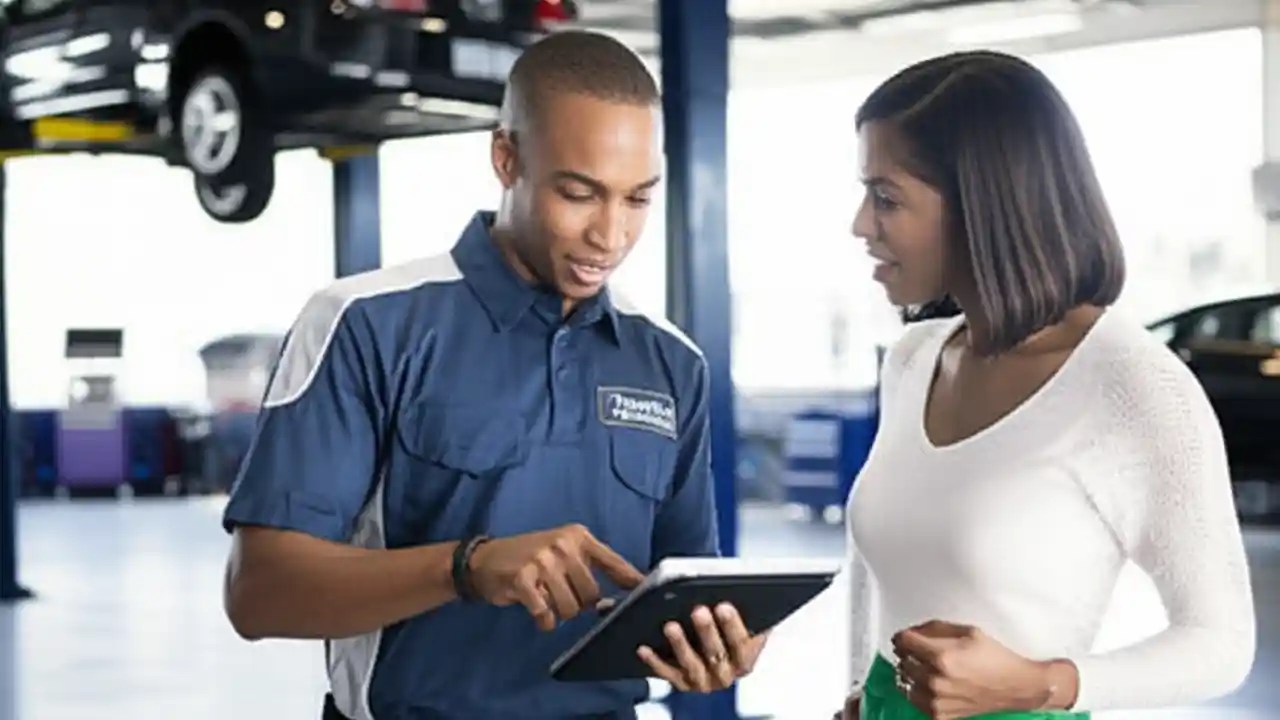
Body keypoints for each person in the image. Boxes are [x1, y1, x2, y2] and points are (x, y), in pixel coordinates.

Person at [219, 30, 768, 720]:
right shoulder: (365, 324)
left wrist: (714, 641)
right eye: (579, 194)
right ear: (506, 158)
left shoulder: (671, 363)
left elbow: (679, 589)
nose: (610, 234)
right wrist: (466, 567)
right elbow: (259, 593)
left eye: (637, 200)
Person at [837, 51, 1256, 720]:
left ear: (982, 205)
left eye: (886, 197)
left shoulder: (1133, 387)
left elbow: (1221, 644)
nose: (861, 224)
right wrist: (860, 687)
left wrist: (1042, 683)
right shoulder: (914, 360)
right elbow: (874, 565)